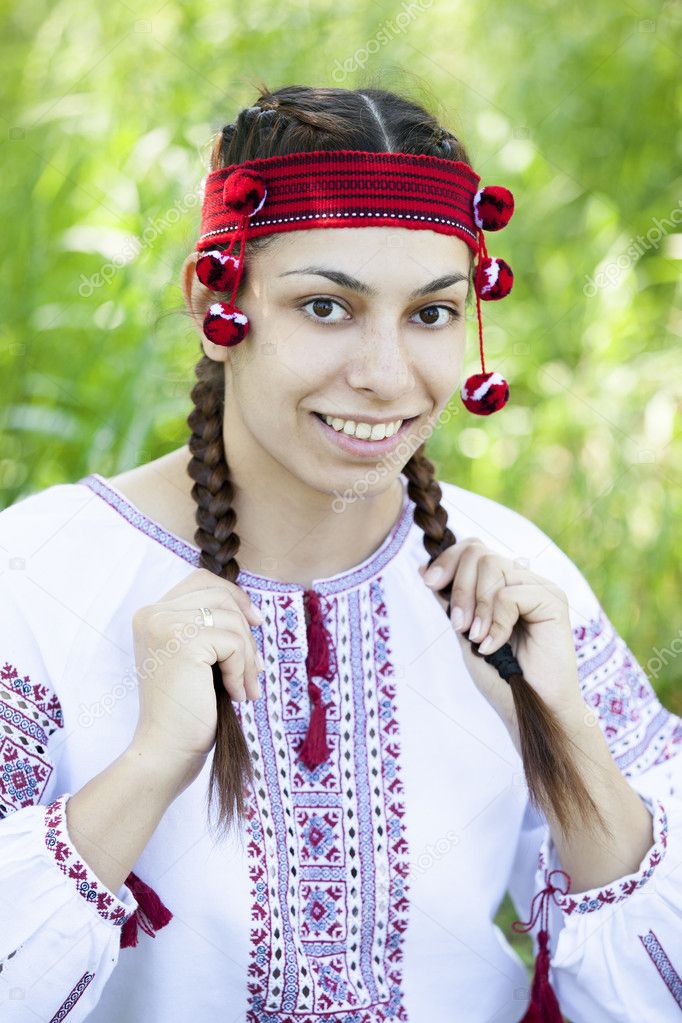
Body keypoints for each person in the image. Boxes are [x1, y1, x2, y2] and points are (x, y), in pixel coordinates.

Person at [0, 84, 679, 1023]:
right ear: (213, 296)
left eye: (432, 314)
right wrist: (154, 759)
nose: (387, 375)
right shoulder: (38, 576)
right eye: (327, 307)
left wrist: (557, 724)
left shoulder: (515, 575)